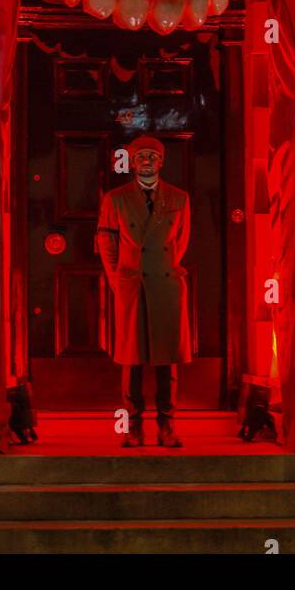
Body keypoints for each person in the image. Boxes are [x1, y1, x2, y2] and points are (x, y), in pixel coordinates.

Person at [96, 135, 192, 447]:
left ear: (161, 161)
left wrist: (163, 269)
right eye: (141, 156)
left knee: (167, 360)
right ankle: (133, 426)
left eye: (153, 155)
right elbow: (106, 241)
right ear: (132, 162)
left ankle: (167, 425)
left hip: (166, 284)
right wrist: (116, 278)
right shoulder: (116, 199)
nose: (147, 160)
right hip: (132, 284)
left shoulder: (179, 199)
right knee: (131, 359)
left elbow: (181, 241)